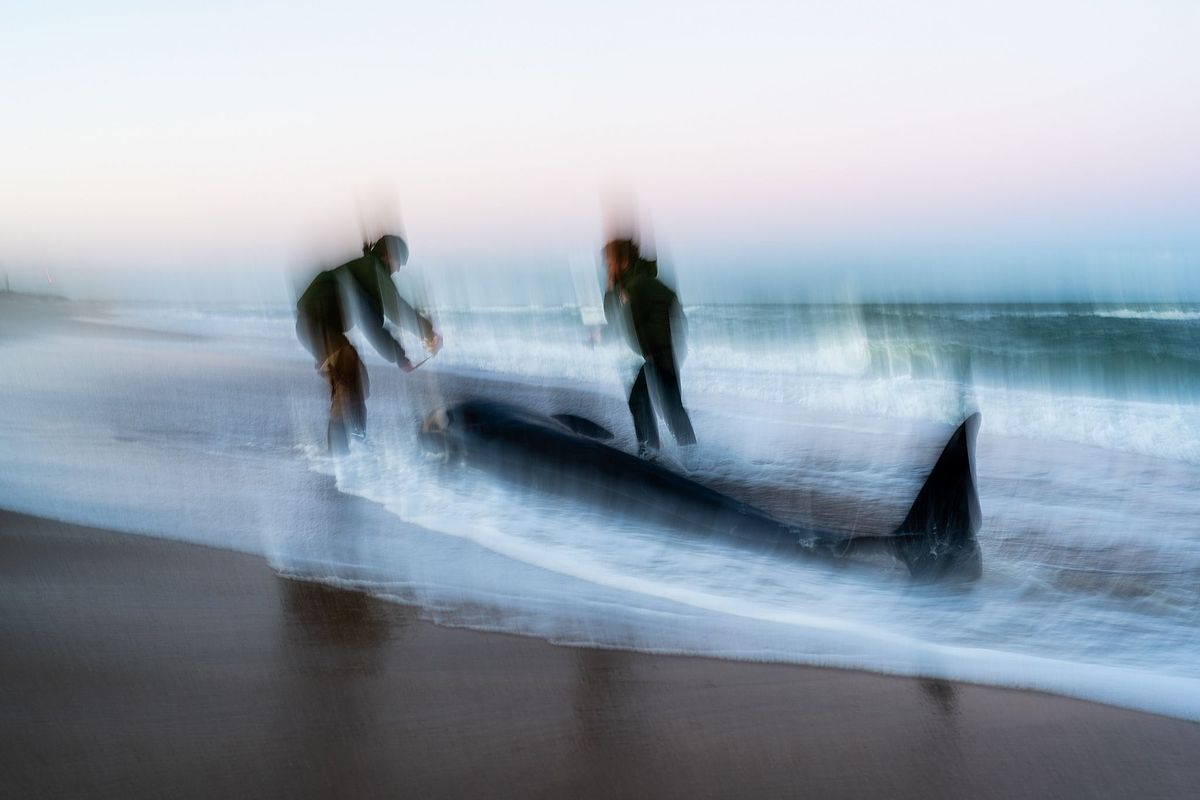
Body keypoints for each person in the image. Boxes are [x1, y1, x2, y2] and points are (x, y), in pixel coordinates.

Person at [295, 234, 441, 453]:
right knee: (347, 372)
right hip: (315, 324)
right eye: (398, 263)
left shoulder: (365, 273)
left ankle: (357, 443)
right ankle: (341, 453)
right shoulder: (372, 268)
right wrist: (426, 334)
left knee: (356, 378)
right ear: (388, 256)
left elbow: (372, 322)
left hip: (316, 327)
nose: (397, 270)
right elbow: (395, 311)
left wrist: (401, 355)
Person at [603, 237, 696, 458]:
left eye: (609, 263)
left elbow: (647, 314)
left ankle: (651, 450)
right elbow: (613, 314)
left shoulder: (638, 285)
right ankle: (687, 451)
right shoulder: (635, 282)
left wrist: (651, 349)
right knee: (669, 405)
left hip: (658, 353)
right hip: (663, 353)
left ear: (621, 261)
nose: (607, 267)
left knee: (645, 400)